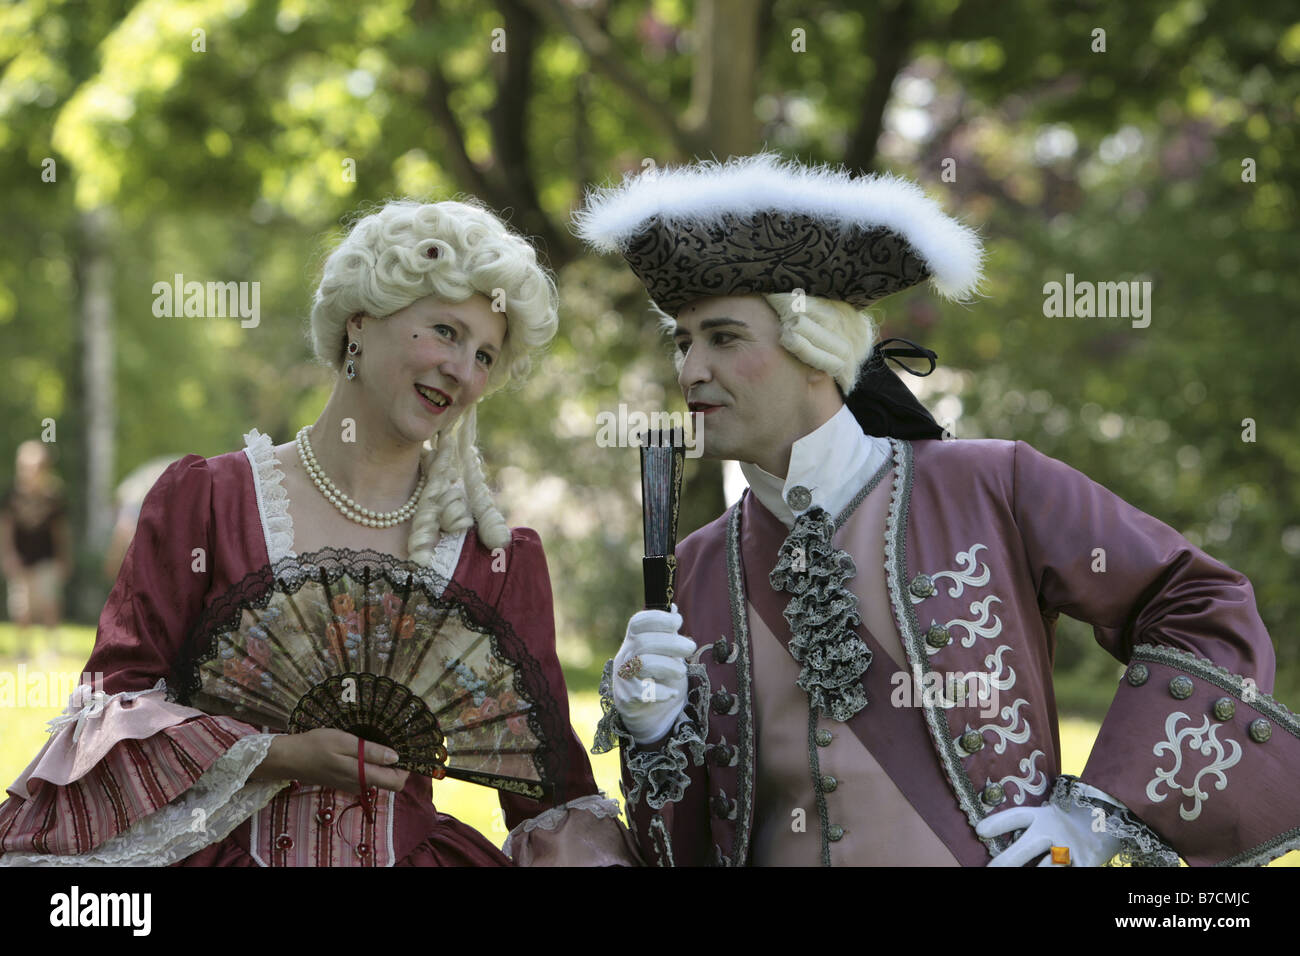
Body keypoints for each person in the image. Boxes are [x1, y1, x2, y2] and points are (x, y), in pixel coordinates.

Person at [577, 153, 1298, 867]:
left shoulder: (994, 484)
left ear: (815, 351)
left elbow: (1200, 600)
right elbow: (687, 849)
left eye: (724, 338)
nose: (691, 370)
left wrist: (1102, 816)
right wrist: (653, 733)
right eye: (683, 342)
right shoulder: (699, 564)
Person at [0, 198, 639, 867]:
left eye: (485, 354)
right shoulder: (208, 502)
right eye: (446, 332)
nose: (463, 370)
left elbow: (550, 791)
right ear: (359, 321)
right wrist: (271, 755)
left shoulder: (491, 556)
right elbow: (113, 705)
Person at [0, 441, 72, 653]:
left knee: (49, 601)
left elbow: (60, 530)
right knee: (21, 605)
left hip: (46, 558)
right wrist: (7, 555)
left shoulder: (54, 496)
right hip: (20, 558)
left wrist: (64, 558)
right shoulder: (11, 495)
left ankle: (52, 648)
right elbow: (6, 528)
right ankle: (23, 649)